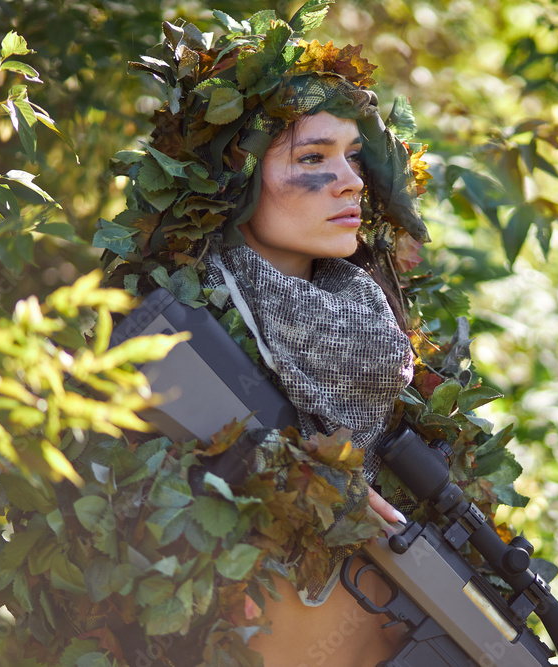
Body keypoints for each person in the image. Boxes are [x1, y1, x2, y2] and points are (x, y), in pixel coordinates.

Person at [100, 13, 437, 666]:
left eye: (353, 157)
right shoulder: (174, 331)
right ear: (237, 176)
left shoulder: (380, 319)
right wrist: (277, 477)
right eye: (313, 158)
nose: (352, 181)